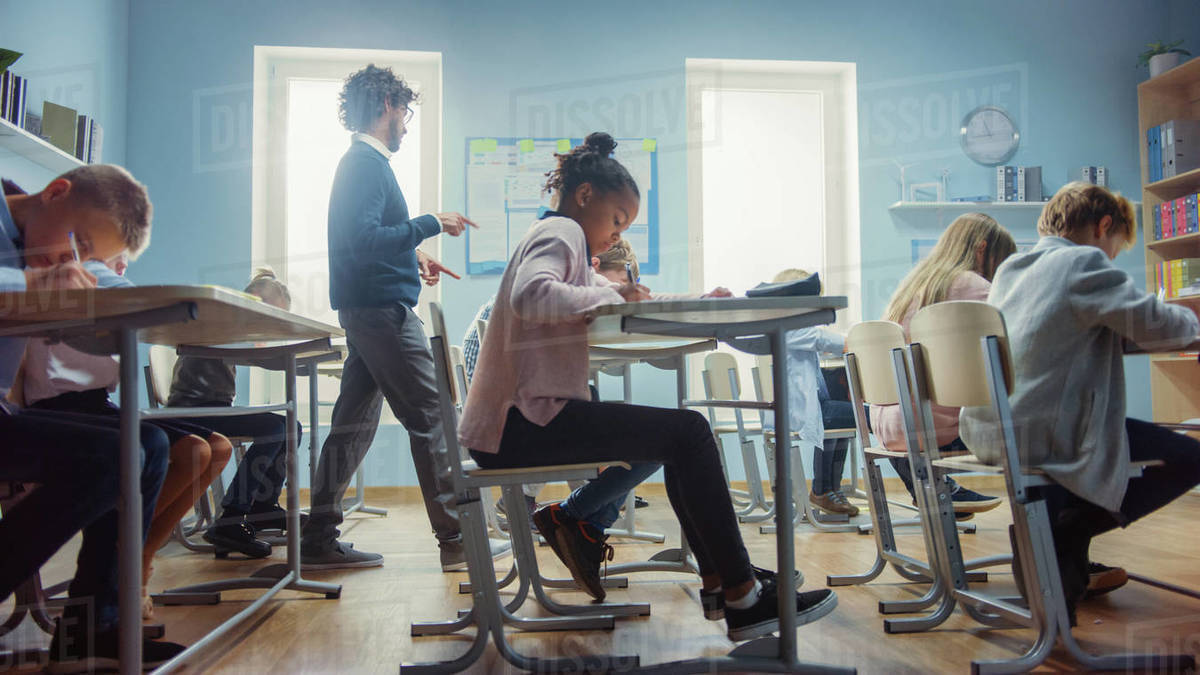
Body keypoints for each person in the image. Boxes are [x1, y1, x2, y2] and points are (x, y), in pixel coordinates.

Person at [460, 132, 836, 641]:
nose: (617, 236)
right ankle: (740, 593)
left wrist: (695, 298)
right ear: (585, 195)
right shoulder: (561, 235)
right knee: (689, 433)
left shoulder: (561, 238)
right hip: (520, 428)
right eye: (617, 220)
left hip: (513, 425)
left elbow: (628, 299)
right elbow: (533, 295)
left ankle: (725, 586)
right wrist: (612, 298)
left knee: (681, 437)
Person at [300, 64, 509, 571]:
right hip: (382, 314)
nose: (407, 123)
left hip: (368, 310)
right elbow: (364, 240)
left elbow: (366, 242)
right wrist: (429, 224)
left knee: (351, 426)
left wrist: (413, 256)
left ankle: (317, 537)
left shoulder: (362, 165)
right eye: (405, 111)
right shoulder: (366, 165)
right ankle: (459, 540)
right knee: (435, 416)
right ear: (386, 106)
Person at [961, 183, 1200, 618]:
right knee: (1190, 457)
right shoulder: (1082, 262)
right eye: (1115, 247)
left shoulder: (1014, 267)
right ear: (1104, 226)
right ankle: (1069, 530)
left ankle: (1055, 549)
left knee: (1116, 447)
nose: (1112, 257)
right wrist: (1191, 318)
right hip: (1047, 429)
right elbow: (1162, 327)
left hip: (995, 426)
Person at [0, 167, 186, 670]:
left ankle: (93, 628)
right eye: (76, 242)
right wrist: (41, 279)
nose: (70, 260)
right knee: (112, 458)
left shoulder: (44, 243)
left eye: (87, 254)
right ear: (55, 192)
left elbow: (104, 283)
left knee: (145, 444)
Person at [23, 252, 233, 620]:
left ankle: (140, 555)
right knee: (193, 452)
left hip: (98, 402)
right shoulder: (65, 271)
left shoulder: (99, 275)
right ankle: (127, 561)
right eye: (119, 254)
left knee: (217, 448)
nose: (123, 263)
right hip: (59, 405)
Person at [869, 213, 1011, 518]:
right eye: (1001, 263)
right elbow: (1013, 342)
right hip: (930, 429)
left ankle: (935, 488)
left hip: (887, 426)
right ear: (982, 249)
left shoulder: (913, 285)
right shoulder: (973, 286)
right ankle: (1051, 541)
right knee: (1054, 429)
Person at [167, 268, 304, 558]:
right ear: (252, 300)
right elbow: (257, 356)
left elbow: (256, 355)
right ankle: (231, 518)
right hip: (192, 411)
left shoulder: (235, 326)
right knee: (277, 427)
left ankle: (263, 508)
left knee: (291, 424)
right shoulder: (219, 322)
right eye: (268, 314)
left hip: (212, 408)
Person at [769, 268, 858, 516]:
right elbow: (827, 340)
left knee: (840, 419)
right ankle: (822, 490)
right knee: (867, 415)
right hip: (800, 411)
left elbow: (821, 346)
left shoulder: (789, 327)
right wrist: (867, 339)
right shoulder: (791, 327)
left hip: (812, 405)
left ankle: (829, 489)